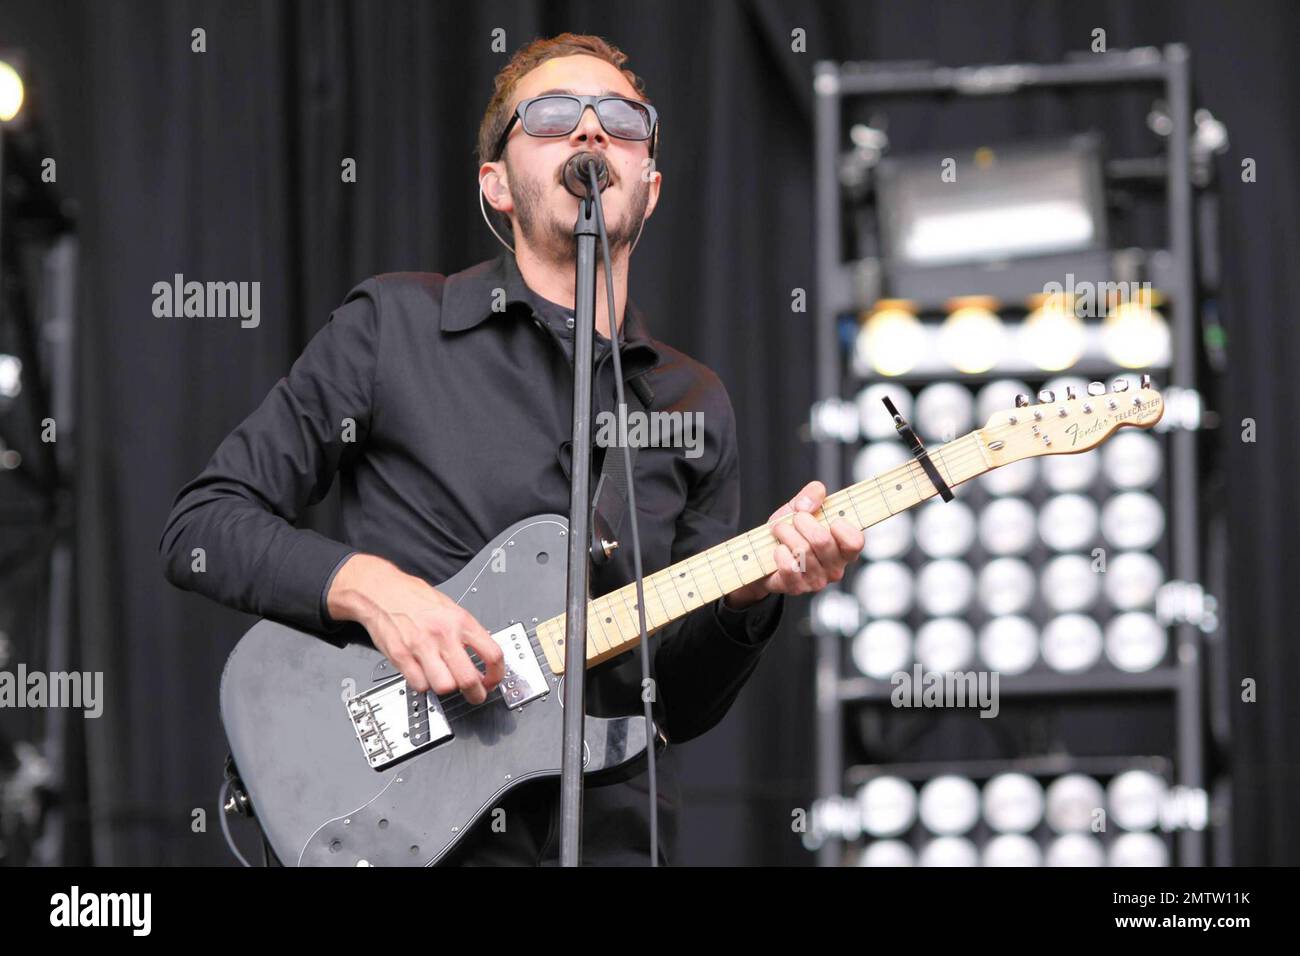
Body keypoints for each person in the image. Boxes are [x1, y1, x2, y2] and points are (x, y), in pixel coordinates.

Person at [160, 32, 865, 865]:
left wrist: (753, 598)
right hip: (407, 831)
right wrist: (372, 589)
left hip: (613, 839)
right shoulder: (394, 330)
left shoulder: (693, 403)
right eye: (555, 116)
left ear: (653, 184)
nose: (593, 132)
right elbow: (202, 525)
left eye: (623, 121)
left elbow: (677, 699)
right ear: (495, 181)